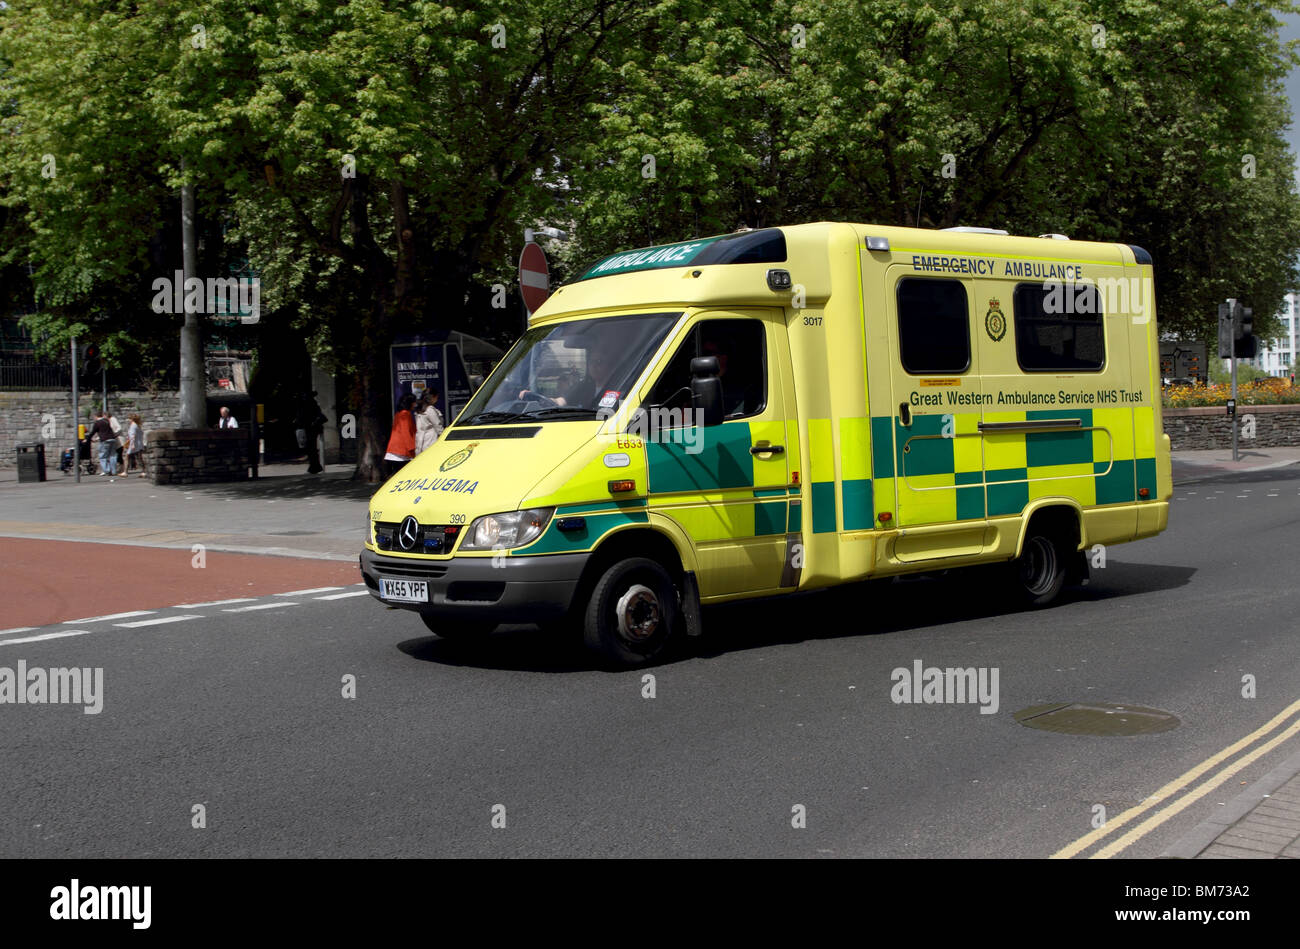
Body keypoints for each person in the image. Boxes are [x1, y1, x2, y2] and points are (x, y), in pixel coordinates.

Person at [384, 394, 417, 477]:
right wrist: (412, 449)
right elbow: (406, 433)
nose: (415, 404)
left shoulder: (398, 414)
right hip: (401, 451)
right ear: (410, 403)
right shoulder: (405, 415)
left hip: (395, 450)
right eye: (414, 402)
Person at [296, 391, 328, 474]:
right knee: (311, 448)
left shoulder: (310, 404)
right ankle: (314, 466)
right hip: (310, 428)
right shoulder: (310, 404)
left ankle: (315, 467)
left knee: (311, 448)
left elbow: (306, 417)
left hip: (311, 428)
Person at [88, 409, 117, 476]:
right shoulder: (107, 420)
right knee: (113, 455)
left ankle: (107, 470)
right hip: (112, 439)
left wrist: (88, 439)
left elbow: (93, 432)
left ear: (95, 416)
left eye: (94, 417)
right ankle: (114, 471)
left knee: (103, 456)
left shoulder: (97, 423)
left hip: (105, 440)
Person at [126, 413, 147, 478]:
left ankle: (125, 472)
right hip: (138, 444)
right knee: (139, 458)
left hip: (134, 444)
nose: (128, 420)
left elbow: (133, 436)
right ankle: (144, 471)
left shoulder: (133, 426)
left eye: (129, 419)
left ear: (132, 419)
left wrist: (132, 444)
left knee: (126, 458)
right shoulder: (137, 426)